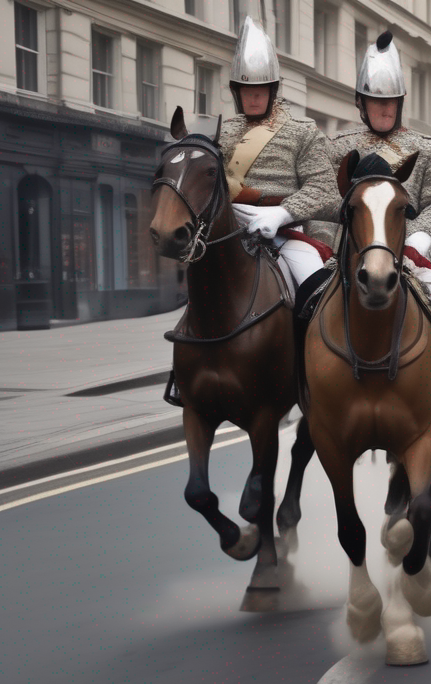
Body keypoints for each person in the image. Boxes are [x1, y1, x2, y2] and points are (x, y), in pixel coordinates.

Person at [164, 16, 339, 407]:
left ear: (273, 90)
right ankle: (185, 371)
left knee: (314, 289)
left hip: (286, 232)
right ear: (236, 91)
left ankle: (312, 372)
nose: (253, 97)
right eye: (246, 90)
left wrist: (282, 214)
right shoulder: (222, 134)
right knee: (202, 286)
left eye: (261, 89)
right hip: (230, 230)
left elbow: (325, 189)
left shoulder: (302, 131)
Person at [327, 31, 431, 441]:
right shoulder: (338, 148)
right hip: (352, 258)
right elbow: (325, 204)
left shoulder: (426, 148)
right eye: (376, 101)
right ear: (361, 104)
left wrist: (415, 239)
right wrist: (337, 248)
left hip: (412, 258)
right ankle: (306, 394)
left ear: (400, 103)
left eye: (390, 102)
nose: (384, 109)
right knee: (300, 310)